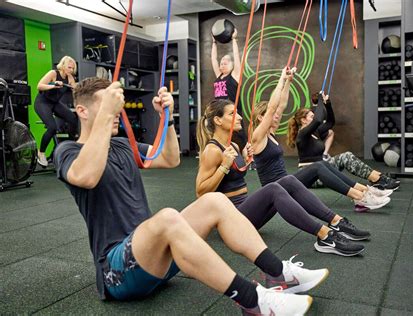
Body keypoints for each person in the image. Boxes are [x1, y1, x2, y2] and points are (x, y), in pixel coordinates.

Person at [54, 77, 327, 315]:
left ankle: (278, 273)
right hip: (117, 274)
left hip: (155, 258)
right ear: (82, 111)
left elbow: (169, 158)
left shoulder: (123, 145)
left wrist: (167, 119)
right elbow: (86, 176)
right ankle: (254, 301)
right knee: (168, 218)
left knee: (215, 201)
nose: (115, 113)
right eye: (105, 107)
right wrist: (105, 116)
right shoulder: (68, 151)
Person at [196, 93, 367, 256]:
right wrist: (223, 166)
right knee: (274, 189)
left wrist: (245, 159)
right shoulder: (212, 150)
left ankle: (336, 222)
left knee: (288, 181)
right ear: (218, 120)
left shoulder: (232, 145)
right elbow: (201, 192)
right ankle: (325, 236)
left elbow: (233, 178)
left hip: (245, 209)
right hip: (230, 220)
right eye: (232, 114)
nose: (240, 117)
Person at [251, 68, 391, 213]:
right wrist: (281, 78)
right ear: (261, 117)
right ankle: (359, 197)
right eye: (271, 114)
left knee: (321, 164)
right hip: (274, 189)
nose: (276, 116)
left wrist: (288, 81)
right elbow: (274, 106)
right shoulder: (258, 136)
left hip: (285, 182)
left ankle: (366, 191)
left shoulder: (271, 131)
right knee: (318, 167)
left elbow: (281, 105)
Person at [287, 92, 400, 190]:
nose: (314, 118)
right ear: (303, 120)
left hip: (323, 168)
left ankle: (378, 177)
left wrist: (328, 104)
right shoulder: (302, 135)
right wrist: (320, 101)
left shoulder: (315, 132)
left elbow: (330, 122)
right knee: (345, 157)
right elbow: (318, 119)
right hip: (312, 176)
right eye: (311, 116)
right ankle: (377, 179)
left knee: (346, 156)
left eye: (313, 116)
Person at [35, 56, 78, 167]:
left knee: (73, 119)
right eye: (69, 67)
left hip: (55, 104)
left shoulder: (70, 78)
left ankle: (69, 149)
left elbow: (75, 92)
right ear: (63, 65)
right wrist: (53, 85)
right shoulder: (53, 73)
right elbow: (39, 86)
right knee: (52, 127)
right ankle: (41, 153)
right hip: (42, 102)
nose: (71, 70)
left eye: (73, 68)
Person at [211, 28, 247, 151]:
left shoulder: (235, 76)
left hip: (233, 112)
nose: (222, 64)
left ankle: (247, 156)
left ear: (232, 66)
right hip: (220, 111)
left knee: (239, 136)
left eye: (226, 63)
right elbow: (213, 60)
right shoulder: (219, 76)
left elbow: (237, 58)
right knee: (221, 134)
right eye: (222, 63)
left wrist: (234, 40)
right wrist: (214, 43)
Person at [310, 93, 334, 161]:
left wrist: (327, 103)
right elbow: (328, 122)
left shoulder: (309, 110)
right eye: (311, 116)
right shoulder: (323, 111)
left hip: (317, 133)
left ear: (311, 101)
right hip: (314, 134)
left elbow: (330, 122)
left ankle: (324, 154)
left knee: (328, 132)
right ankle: (325, 154)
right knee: (330, 132)